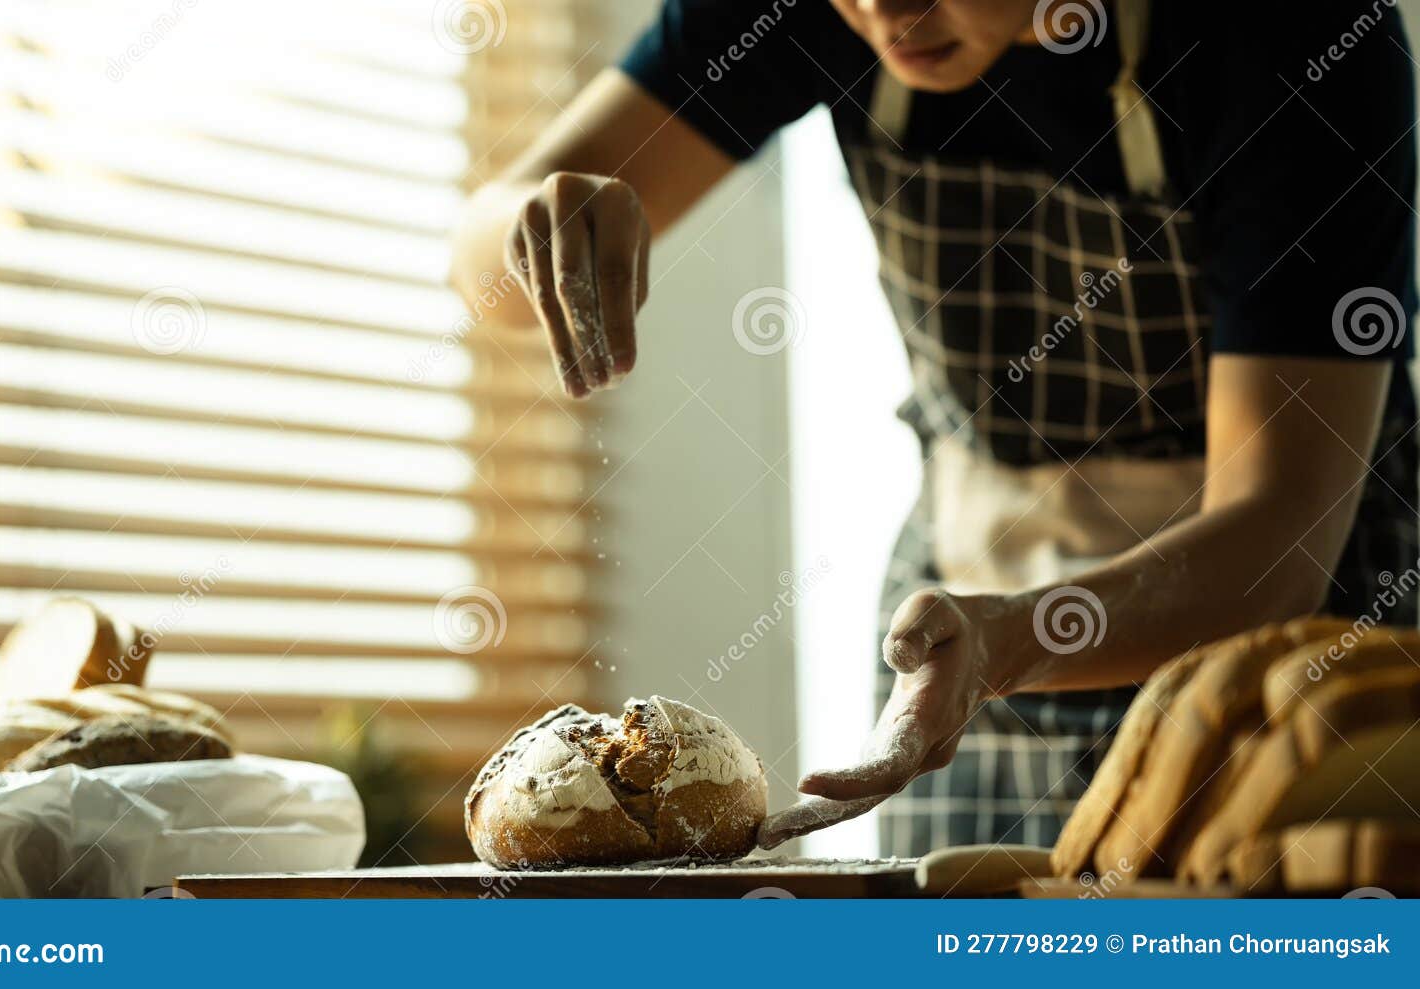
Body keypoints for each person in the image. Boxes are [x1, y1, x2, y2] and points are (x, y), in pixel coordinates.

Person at [448, 0, 1419, 856]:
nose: (882, 8)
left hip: (1284, 645)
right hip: (963, 618)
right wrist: (532, 218)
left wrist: (1013, 639)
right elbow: (478, 267)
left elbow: (1279, 532)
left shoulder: (1300, 36)